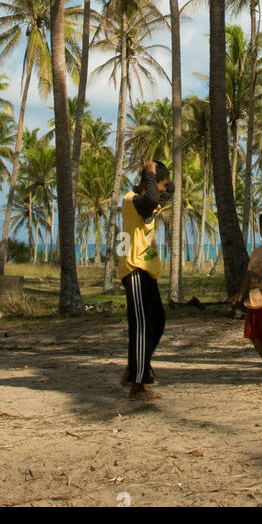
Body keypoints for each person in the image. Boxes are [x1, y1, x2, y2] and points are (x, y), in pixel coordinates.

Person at [117, 159, 173, 403]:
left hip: (147, 270)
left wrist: (156, 177)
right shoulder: (132, 200)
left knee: (157, 320)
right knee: (140, 325)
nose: (162, 190)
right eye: (159, 184)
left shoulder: (152, 202)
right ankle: (137, 384)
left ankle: (134, 368)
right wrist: (151, 174)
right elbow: (149, 199)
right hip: (134, 268)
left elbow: (165, 193)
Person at [230, 210, 262, 376]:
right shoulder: (256, 252)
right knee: (253, 335)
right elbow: (249, 274)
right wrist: (240, 293)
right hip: (253, 300)